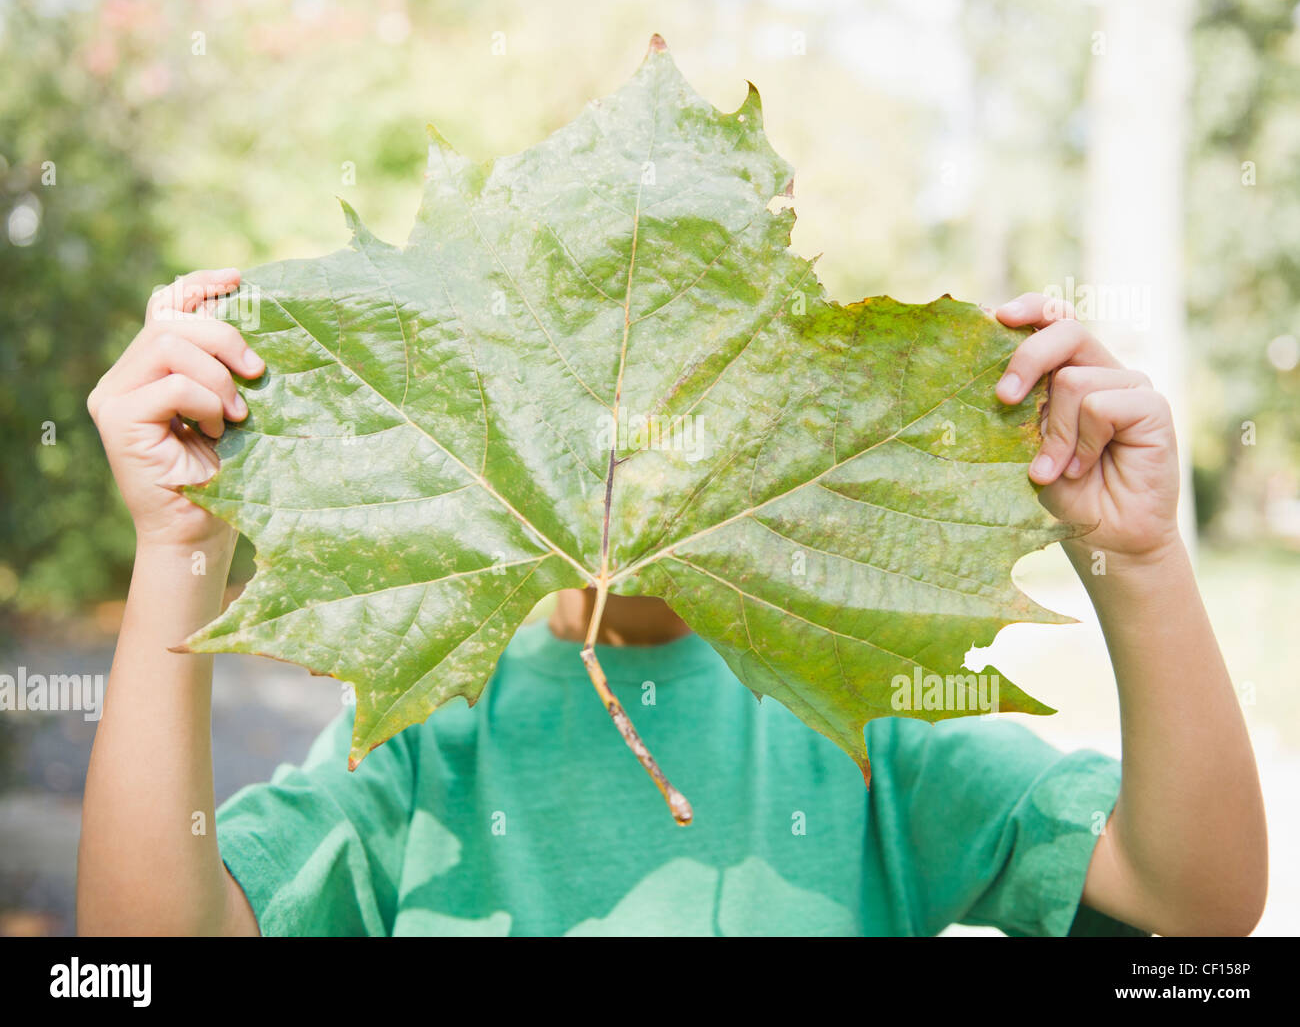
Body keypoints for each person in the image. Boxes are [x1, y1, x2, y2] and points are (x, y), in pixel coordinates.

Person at [76, 269, 1268, 936]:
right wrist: (179, 551)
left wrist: (1143, 562)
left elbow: (1194, 905)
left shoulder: (863, 717)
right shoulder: (430, 746)